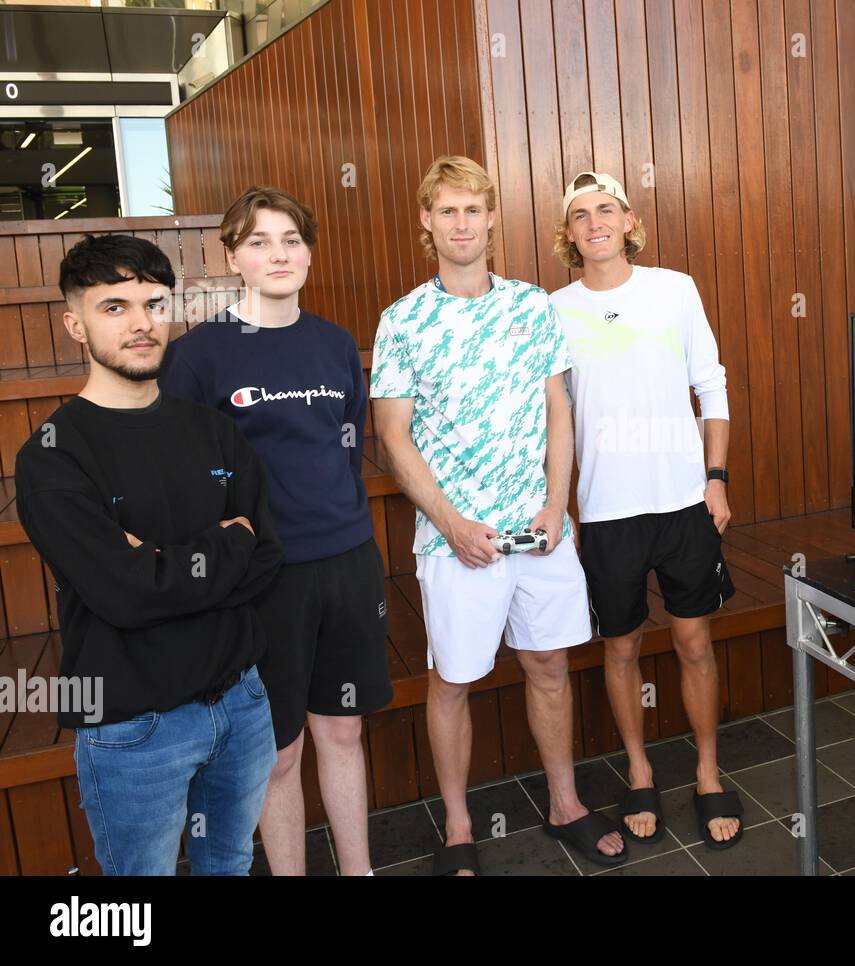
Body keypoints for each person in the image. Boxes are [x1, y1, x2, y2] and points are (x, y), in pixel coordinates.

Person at [370, 156, 625, 874]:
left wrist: (555, 505)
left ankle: (565, 804)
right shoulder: (403, 320)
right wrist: (452, 524)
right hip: (456, 539)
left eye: (473, 210)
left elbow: (558, 411)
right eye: (447, 211)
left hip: (539, 531)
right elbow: (392, 435)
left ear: (492, 220)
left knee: (549, 664)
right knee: (453, 680)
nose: (462, 224)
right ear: (427, 221)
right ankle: (458, 828)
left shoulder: (531, 306)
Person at [15, 233, 283, 875]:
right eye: (114, 307)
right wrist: (229, 538)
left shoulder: (213, 430)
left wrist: (162, 560)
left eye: (154, 304)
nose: (141, 323)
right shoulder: (53, 455)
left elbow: (267, 556)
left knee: (230, 865)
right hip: (135, 725)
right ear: (75, 325)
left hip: (241, 700)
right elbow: (125, 593)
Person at [159, 187, 392, 876]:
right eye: (259, 241)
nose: (278, 254)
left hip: (347, 561)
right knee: (280, 752)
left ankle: (359, 871)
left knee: (343, 730)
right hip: (264, 577)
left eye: (291, 239)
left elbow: (345, 448)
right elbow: (184, 478)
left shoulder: (334, 344)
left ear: (310, 252)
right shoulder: (198, 356)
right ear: (233, 257)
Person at [549, 171, 743, 849]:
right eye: (581, 215)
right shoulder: (554, 309)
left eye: (606, 209)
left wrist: (715, 480)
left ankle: (708, 772)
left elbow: (711, 385)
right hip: (607, 512)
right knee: (621, 646)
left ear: (629, 220)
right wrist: (562, 505)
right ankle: (639, 771)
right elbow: (555, 416)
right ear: (569, 234)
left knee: (694, 643)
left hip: (684, 502)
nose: (595, 222)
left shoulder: (674, 289)